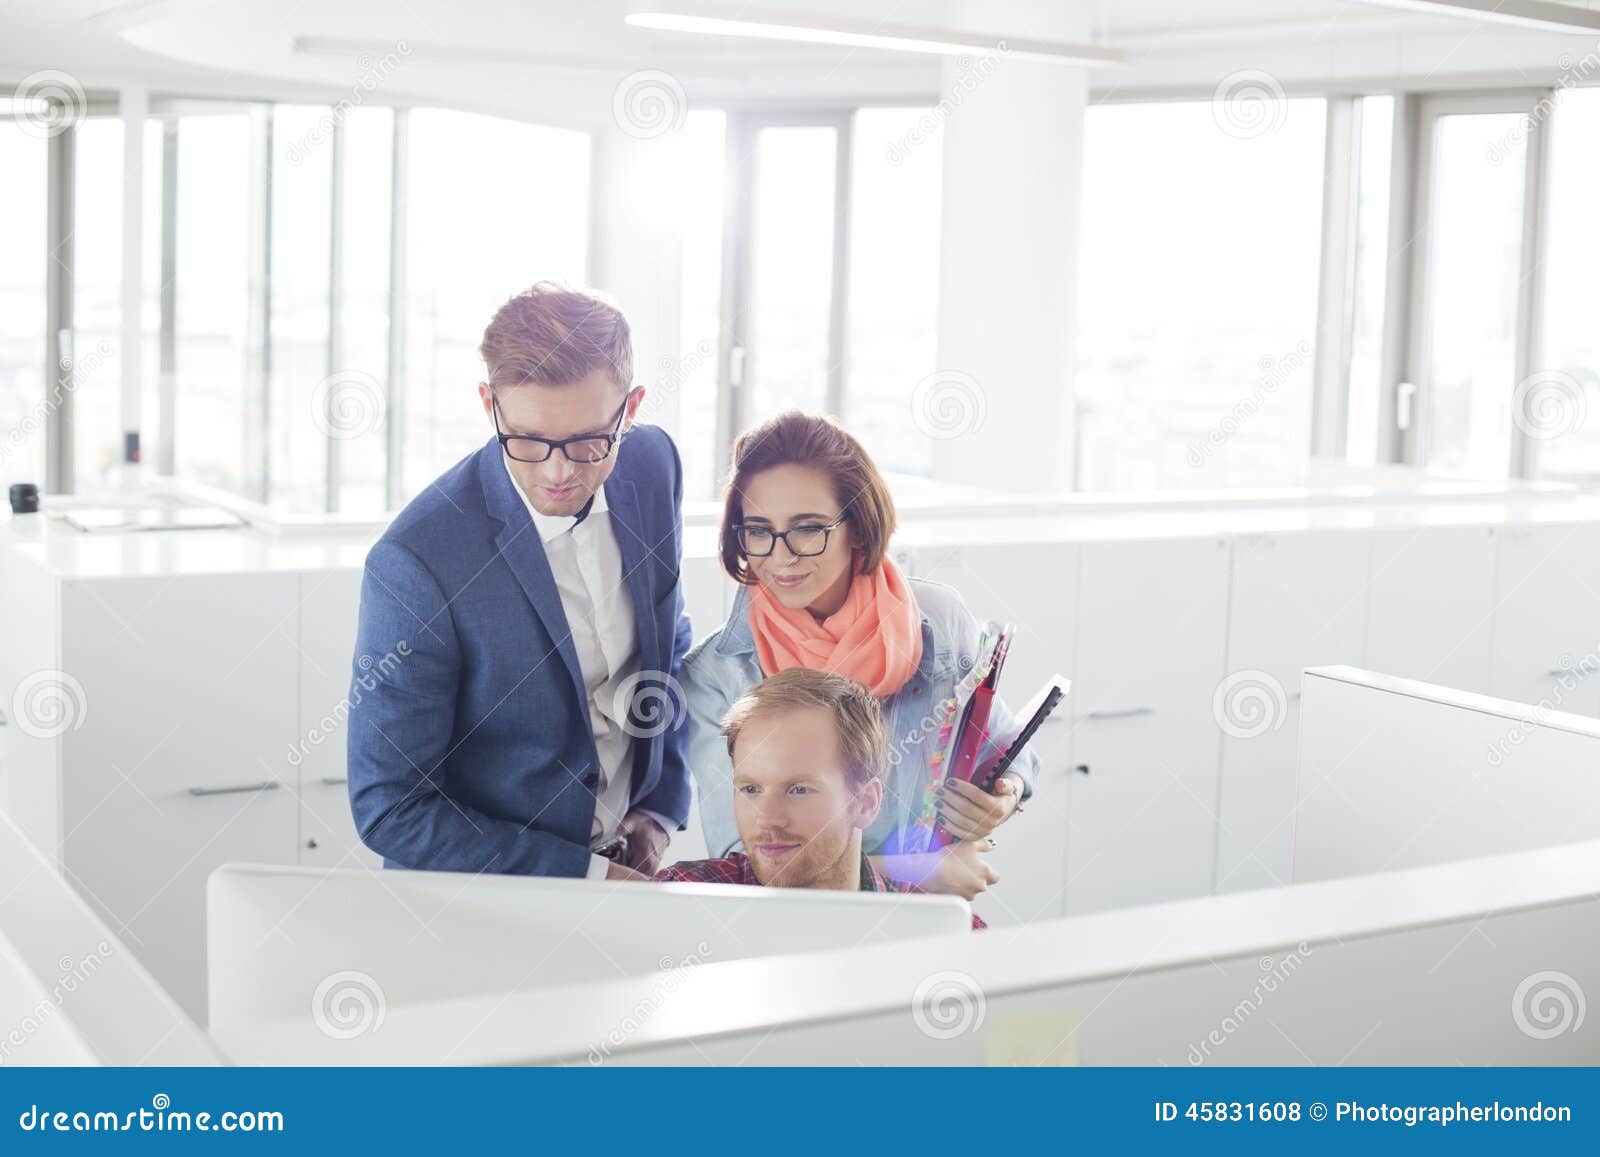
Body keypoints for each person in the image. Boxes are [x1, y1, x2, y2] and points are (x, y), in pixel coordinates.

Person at [347, 283, 692, 881]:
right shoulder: (418, 561)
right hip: (484, 908)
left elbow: (670, 643)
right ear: (490, 406)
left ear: (630, 410)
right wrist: (588, 878)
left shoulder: (653, 465)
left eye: (588, 442)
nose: (558, 473)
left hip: (631, 871)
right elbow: (392, 809)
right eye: (528, 441)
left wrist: (659, 807)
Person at [680, 410, 1037, 901]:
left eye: (807, 529)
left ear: (859, 530)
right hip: (805, 931)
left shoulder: (937, 619)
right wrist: (914, 871)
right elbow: (746, 861)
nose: (781, 557)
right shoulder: (716, 675)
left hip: (929, 923)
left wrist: (1006, 793)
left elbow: (1006, 739)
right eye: (758, 530)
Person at [654, 669, 985, 930]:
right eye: (751, 789)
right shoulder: (679, 903)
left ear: (865, 803)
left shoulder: (948, 935)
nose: (767, 818)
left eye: (799, 790)